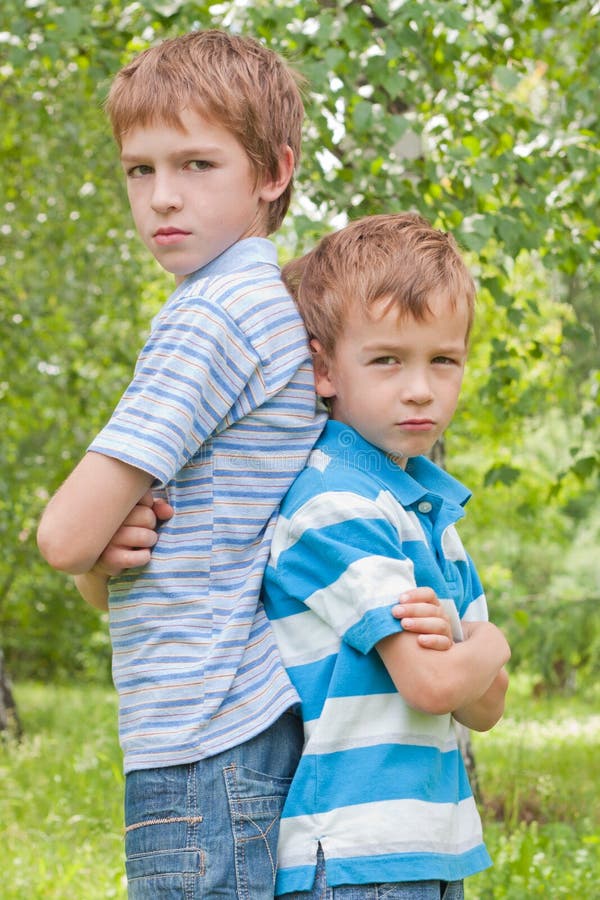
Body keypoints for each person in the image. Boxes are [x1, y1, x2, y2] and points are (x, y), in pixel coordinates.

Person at [36, 29, 330, 899]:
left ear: (272, 172)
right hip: (235, 723)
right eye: (140, 169)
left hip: (205, 732)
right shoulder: (259, 300)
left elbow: (62, 538)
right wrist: (103, 552)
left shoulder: (212, 320)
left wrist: (86, 542)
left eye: (197, 165)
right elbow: (110, 563)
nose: (163, 197)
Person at [260, 213, 511, 899]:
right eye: (387, 360)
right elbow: (435, 687)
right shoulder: (333, 503)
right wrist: (489, 640)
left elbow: (484, 708)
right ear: (323, 369)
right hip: (352, 851)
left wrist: (471, 655)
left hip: (432, 845)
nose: (421, 388)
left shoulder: (427, 512)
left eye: (443, 360)